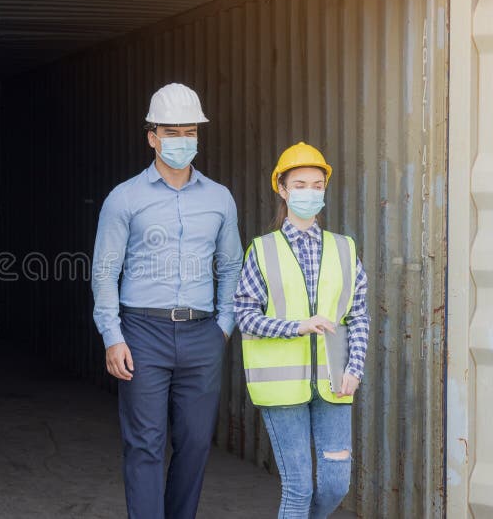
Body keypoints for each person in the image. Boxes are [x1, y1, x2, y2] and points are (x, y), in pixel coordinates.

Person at [91, 83, 243, 519]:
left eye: (189, 131)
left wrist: (224, 326)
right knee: (146, 444)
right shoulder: (125, 198)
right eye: (171, 132)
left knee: (195, 443)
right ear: (152, 137)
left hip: (202, 334)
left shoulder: (220, 199)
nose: (181, 140)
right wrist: (112, 336)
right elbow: (105, 271)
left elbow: (231, 266)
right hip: (142, 333)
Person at [235, 142, 370, 519]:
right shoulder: (261, 250)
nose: (309, 192)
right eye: (299, 184)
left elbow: (358, 316)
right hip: (281, 389)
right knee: (298, 488)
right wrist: (296, 327)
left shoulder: (345, 248)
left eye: (316, 185)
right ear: (282, 189)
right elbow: (244, 314)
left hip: (334, 383)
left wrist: (355, 367)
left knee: (335, 484)